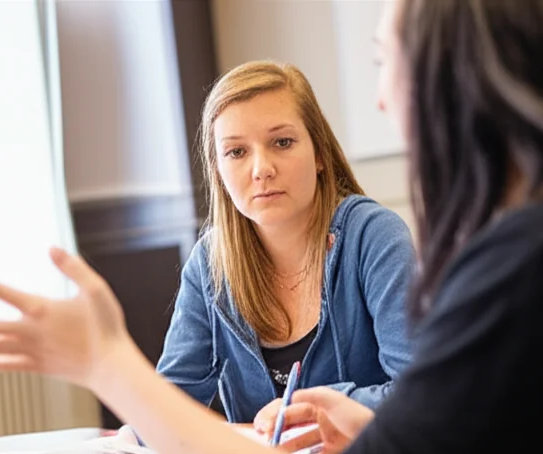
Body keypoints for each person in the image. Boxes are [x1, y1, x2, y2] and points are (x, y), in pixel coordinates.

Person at [0, 0, 543, 454]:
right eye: (235, 153)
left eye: (389, 61)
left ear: (478, 73)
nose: (384, 100)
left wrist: (105, 357)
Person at [155, 59, 416, 424]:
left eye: (282, 142)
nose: (262, 168)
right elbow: (169, 406)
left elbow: (420, 392)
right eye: (237, 152)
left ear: (320, 153)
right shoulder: (209, 263)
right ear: (218, 170)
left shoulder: (374, 237)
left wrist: (313, 409)